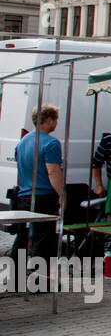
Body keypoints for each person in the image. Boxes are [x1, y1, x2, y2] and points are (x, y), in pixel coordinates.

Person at [11, 105, 63, 262]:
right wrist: (62, 193)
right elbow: (53, 171)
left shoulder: (22, 143)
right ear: (48, 120)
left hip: (23, 196)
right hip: (43, 197)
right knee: (44, 239)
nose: (56, 123)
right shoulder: (51, 143)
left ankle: (16, 278)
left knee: (22, 237)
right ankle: (40, 281)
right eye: (55, 120)